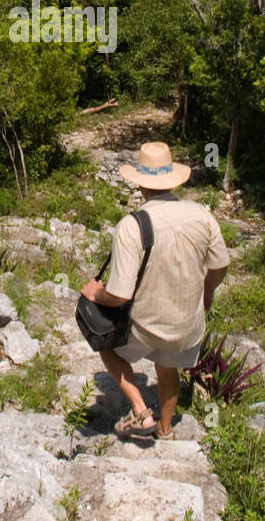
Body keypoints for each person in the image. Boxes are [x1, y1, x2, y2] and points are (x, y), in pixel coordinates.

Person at [79, 141, 229, 440]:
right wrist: (207, 293)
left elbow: (120, 295)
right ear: (172, 179)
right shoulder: (201, 214)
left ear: (140, 184)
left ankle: (139, 409)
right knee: (168, 367)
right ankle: (165, 430)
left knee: (104, 344)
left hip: (147, 326)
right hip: (188, 326)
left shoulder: (132, 226)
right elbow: (221, 265)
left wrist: (94, 294)